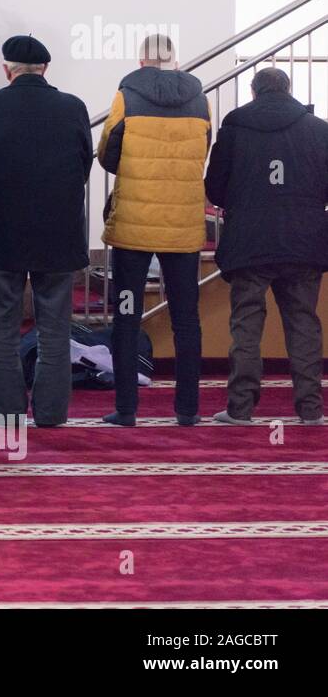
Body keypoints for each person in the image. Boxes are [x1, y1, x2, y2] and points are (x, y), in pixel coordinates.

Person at [0, 35, 93, 427]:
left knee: (1, 329)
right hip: (59, 235)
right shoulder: (72, 108)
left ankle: (7, 414)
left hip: (2, 233)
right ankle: (52, 414)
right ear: (46, 69)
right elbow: (83, 167)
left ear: (6, 70)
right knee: (54, 329)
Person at [204, 67, 328, 425]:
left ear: (254, 92)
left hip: (249, 241)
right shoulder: (320, 130)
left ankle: (240, 408)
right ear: (289, 90)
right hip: (303, 241)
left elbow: (214, 189)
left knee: (246, 325)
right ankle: (311, 410)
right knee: (304, 324)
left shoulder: (234, 129)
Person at [98, 34, 210, 426]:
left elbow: (108, 151)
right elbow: (204, 148)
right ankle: (188, 410)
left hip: (133, 226)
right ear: (175, 62)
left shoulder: (127, 94)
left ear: (142, 61)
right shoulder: (199, 97)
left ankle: (126, 409)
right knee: (186, 317)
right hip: (182, 226)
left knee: (127, 316)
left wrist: (136, 171)